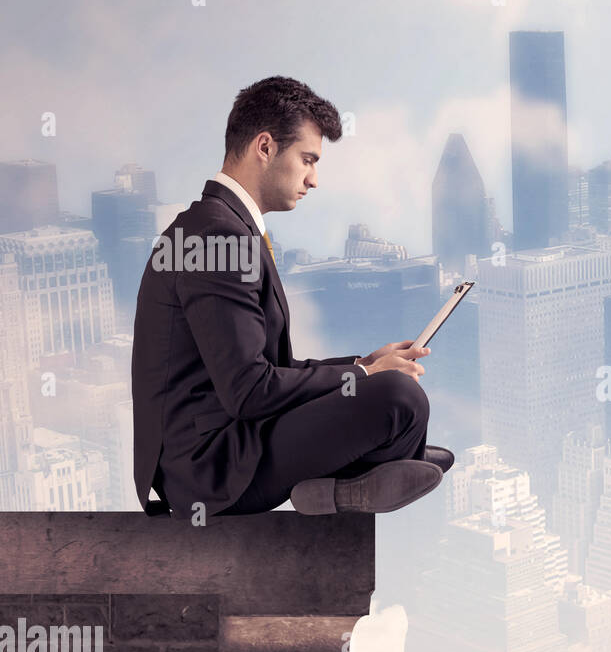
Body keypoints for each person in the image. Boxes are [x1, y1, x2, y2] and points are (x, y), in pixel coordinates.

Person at [131, 75, 451, 519]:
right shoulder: (216, 236)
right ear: (265, 147)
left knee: (397, 396)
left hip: (229, 443)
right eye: (307, 160)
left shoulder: (221, 228)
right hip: (210, 468)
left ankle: (353, 479)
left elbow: (269, 372)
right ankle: (350, 484)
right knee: (400, 398)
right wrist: (367, 377)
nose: (313, 180)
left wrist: (359, 365)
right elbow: (250, 390)